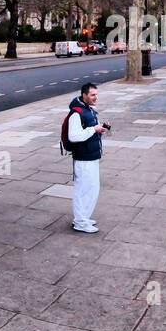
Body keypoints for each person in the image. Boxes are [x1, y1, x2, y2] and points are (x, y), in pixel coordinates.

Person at [61, 82, 108, 233]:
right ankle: (80, 222)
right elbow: (73, 136)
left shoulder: (88, 110)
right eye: (93, 95)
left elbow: (89, 132)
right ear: (84, 95)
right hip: (83, 158)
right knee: (82, 190)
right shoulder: (76, 113)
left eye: (96, 94)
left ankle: (84, 217)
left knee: (93, 188)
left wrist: (100, 129)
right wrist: (94, 128)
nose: (96, 98)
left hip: (91, 156)